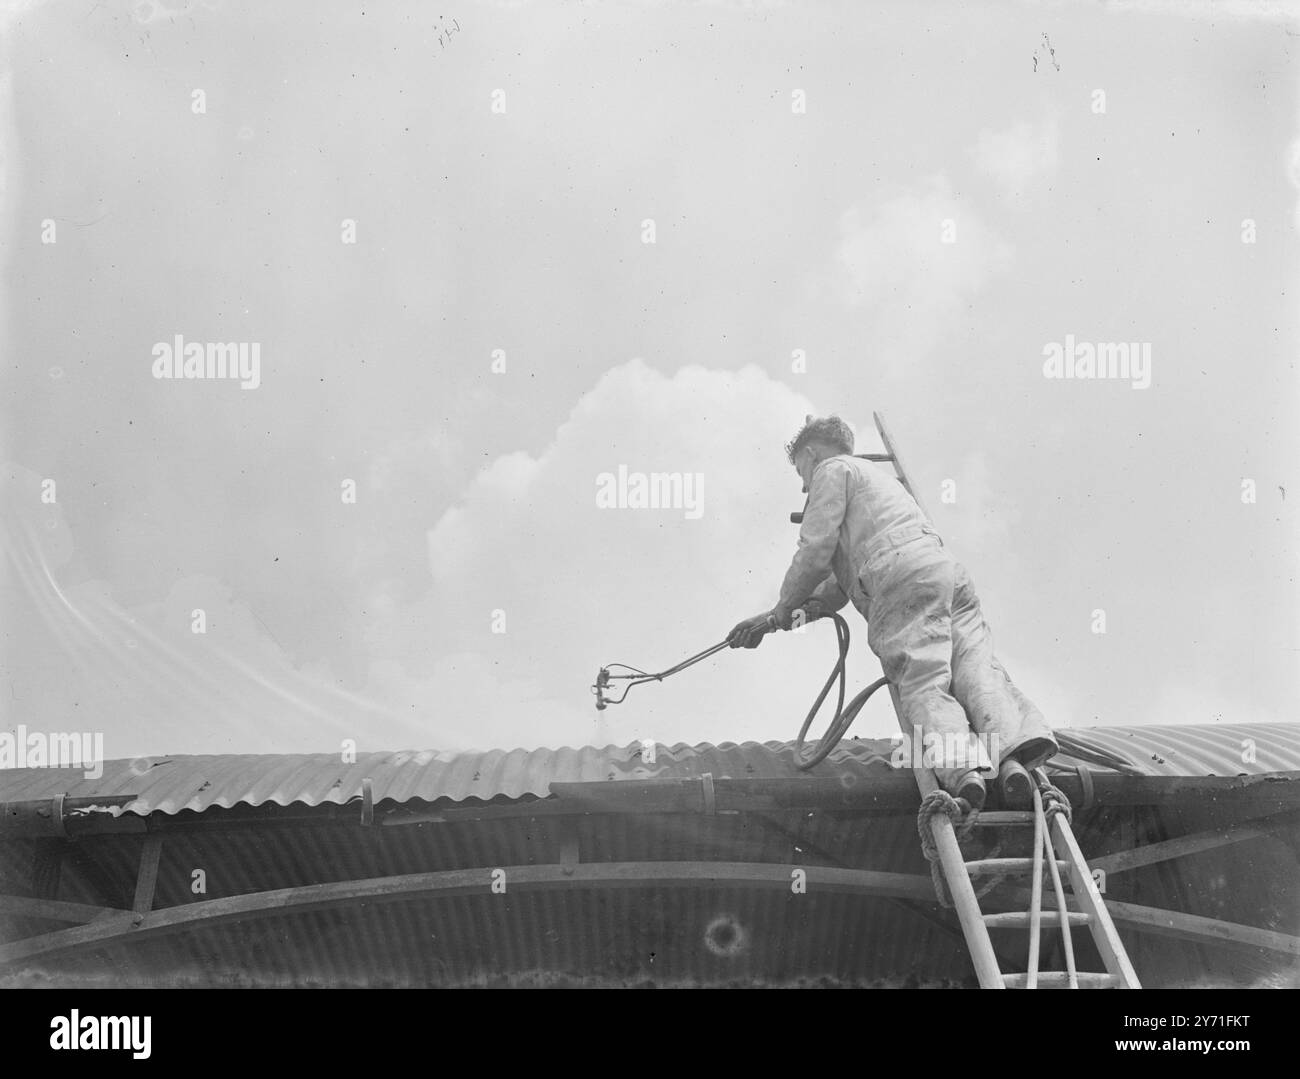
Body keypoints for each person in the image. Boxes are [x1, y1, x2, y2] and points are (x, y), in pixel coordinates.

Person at [727, 415, 1057, 810]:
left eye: (801, 472)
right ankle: (1013, 760)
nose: (803, 485)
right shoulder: (878, 482)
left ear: (812, 455)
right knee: (975, 668)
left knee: (922, 680)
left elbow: (814, 553)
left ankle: (963, 772)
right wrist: (771, 620)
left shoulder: (831, 471)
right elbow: (834, 593)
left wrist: (783, 606)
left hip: (899, 578)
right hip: (944, 572)